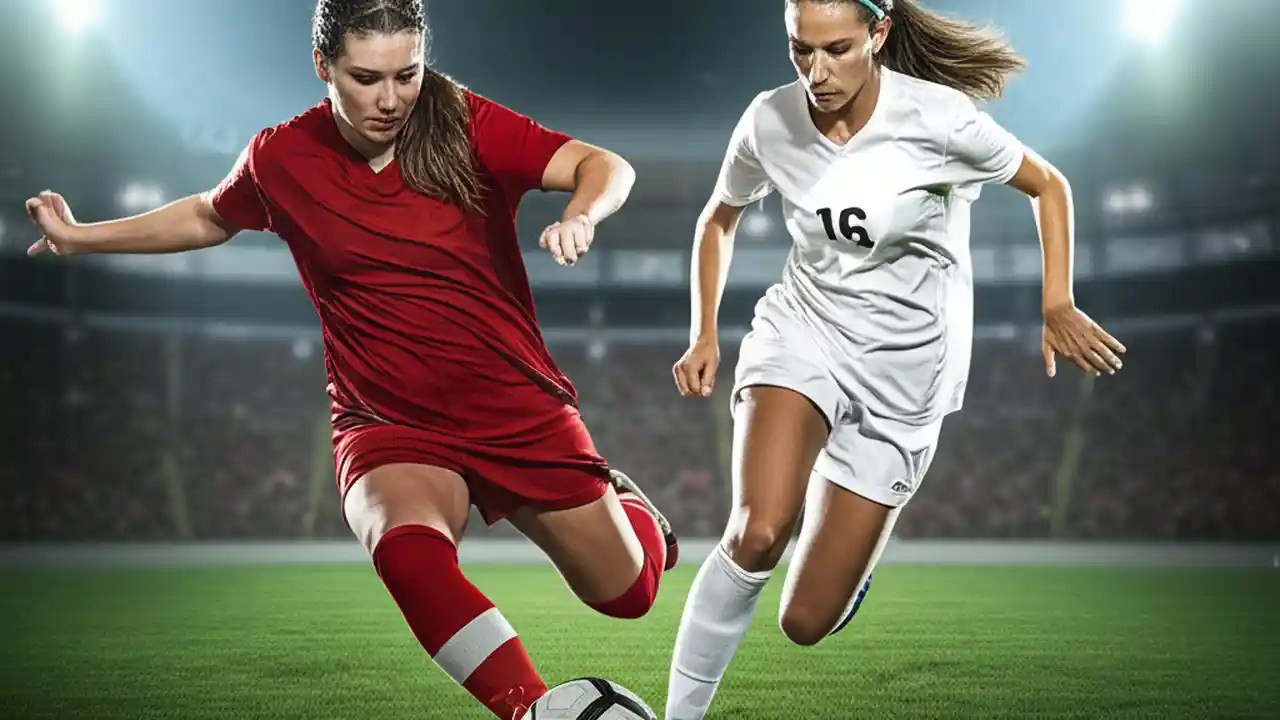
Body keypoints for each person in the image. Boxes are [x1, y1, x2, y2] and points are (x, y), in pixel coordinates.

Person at [23, 1, 677, 718]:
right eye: (366, 77)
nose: (392, 99)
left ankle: (637, 514)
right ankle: (527, 708)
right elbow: (209, 214)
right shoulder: (280, 157)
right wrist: (84, 237)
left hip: (513, 406)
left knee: (628, 595)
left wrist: (581, 212)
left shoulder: (461, 122)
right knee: (405, 550)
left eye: (408, 74)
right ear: (322, 67)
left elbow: (602, 164)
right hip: (385, 418)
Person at [664, 0, 1125, 717]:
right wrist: (704, 333)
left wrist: (1056, 301)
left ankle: (849, 564)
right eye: (800, 50)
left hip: (909, 373)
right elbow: (718, 218)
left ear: (879, 34)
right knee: (756, 531)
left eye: (838, 50)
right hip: (805, 331)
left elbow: (1048, 186)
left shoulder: (938, 120)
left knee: (803, 622)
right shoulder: (768, 119)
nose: (816, 73)